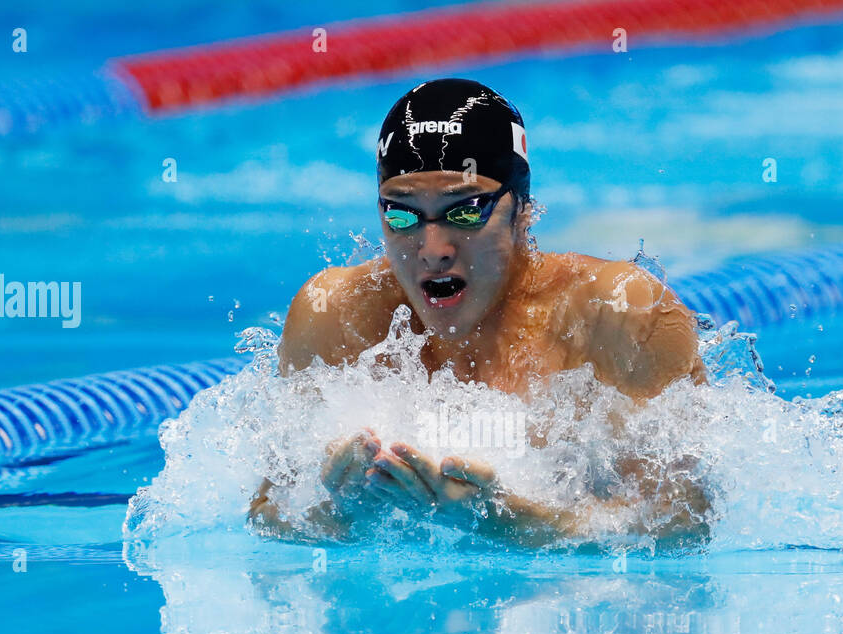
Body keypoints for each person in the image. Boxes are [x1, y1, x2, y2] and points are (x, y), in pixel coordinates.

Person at [249, 78, 708, 547]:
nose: (433, 250)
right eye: (402, 215)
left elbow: (685, 524)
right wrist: (343, 518)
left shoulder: (617, 314)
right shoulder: (335, 316)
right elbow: (267, 515)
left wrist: (514, 526)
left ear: (522, 210)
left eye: (465, 212)